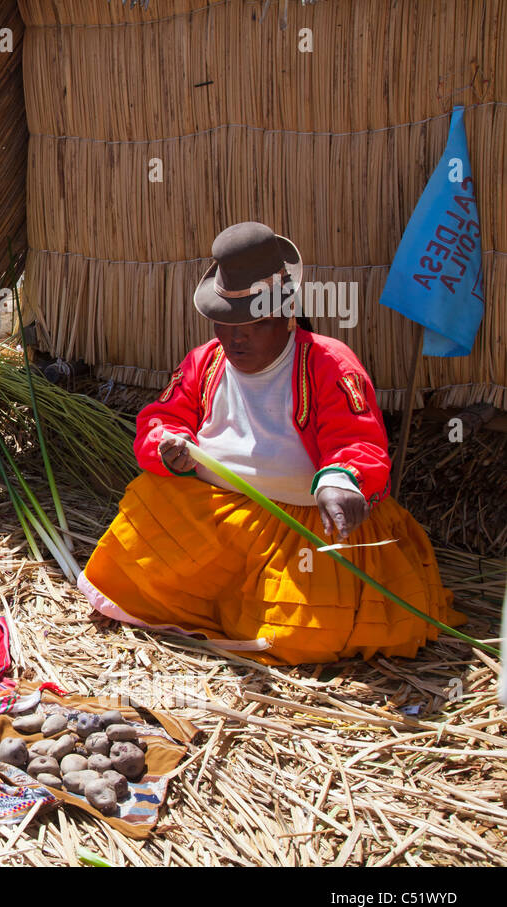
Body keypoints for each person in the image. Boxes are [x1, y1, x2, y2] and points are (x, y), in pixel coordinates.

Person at [78, 222, 459, 665]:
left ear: (287, 312)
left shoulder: (329, 364)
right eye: (226, 321)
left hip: (300, 524)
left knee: (297, 639)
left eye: (253, 324)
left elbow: (359, 441)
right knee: (127, 555)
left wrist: (342, 480)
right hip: (215, 512)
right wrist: (169, 444)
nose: (236, 337)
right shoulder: (206, 360)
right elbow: (162, 417)